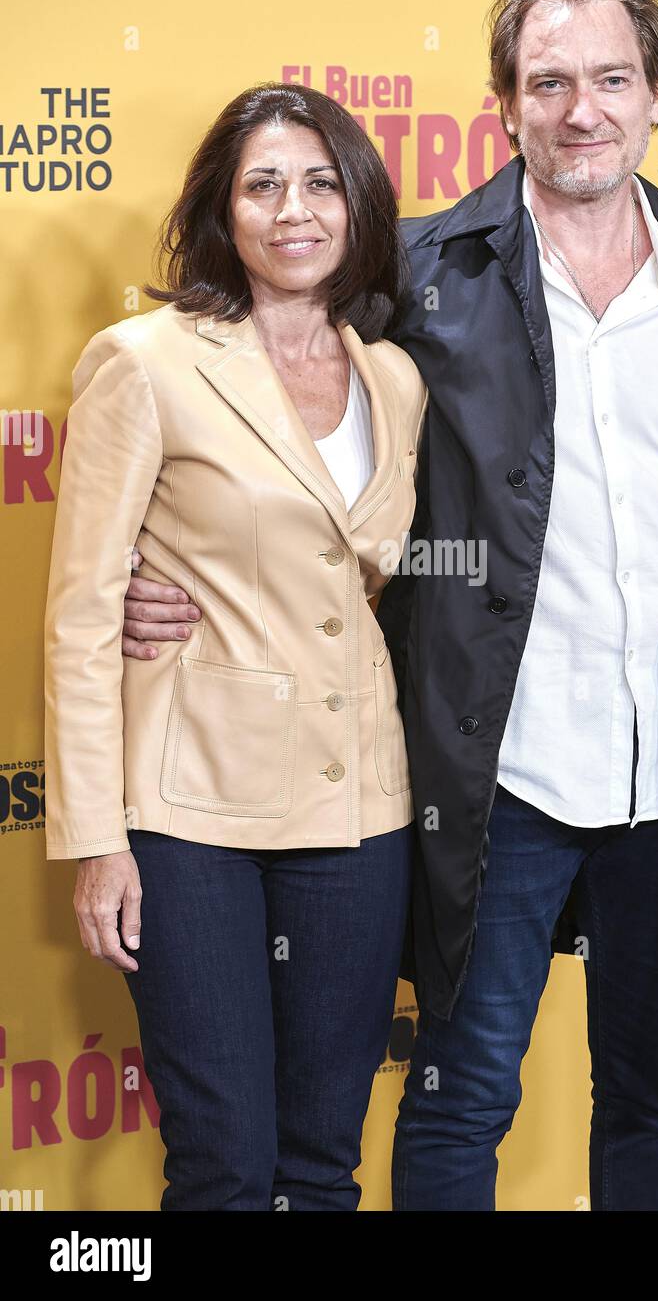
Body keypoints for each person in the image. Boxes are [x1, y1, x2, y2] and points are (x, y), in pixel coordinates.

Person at [122, 0, 658, 1212]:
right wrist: (153, 568)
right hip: (494, 774)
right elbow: (289, 455)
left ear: (655, 93)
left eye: (610, 78)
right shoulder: (426, 285)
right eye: (546, 81)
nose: (581, 110)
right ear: (504, 102)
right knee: (458, 1095)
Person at [44, 82, 427, 1211]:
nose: (292, 209)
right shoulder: (147, 360)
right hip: (189, 814)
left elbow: (364, 583)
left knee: (323, 1163)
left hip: (359, 807)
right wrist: (94, 840)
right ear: (223, 207)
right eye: (261, 184)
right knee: (222, 1165)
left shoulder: (392, 379)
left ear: (356, 205)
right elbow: (80, 611)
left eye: (318, 182)